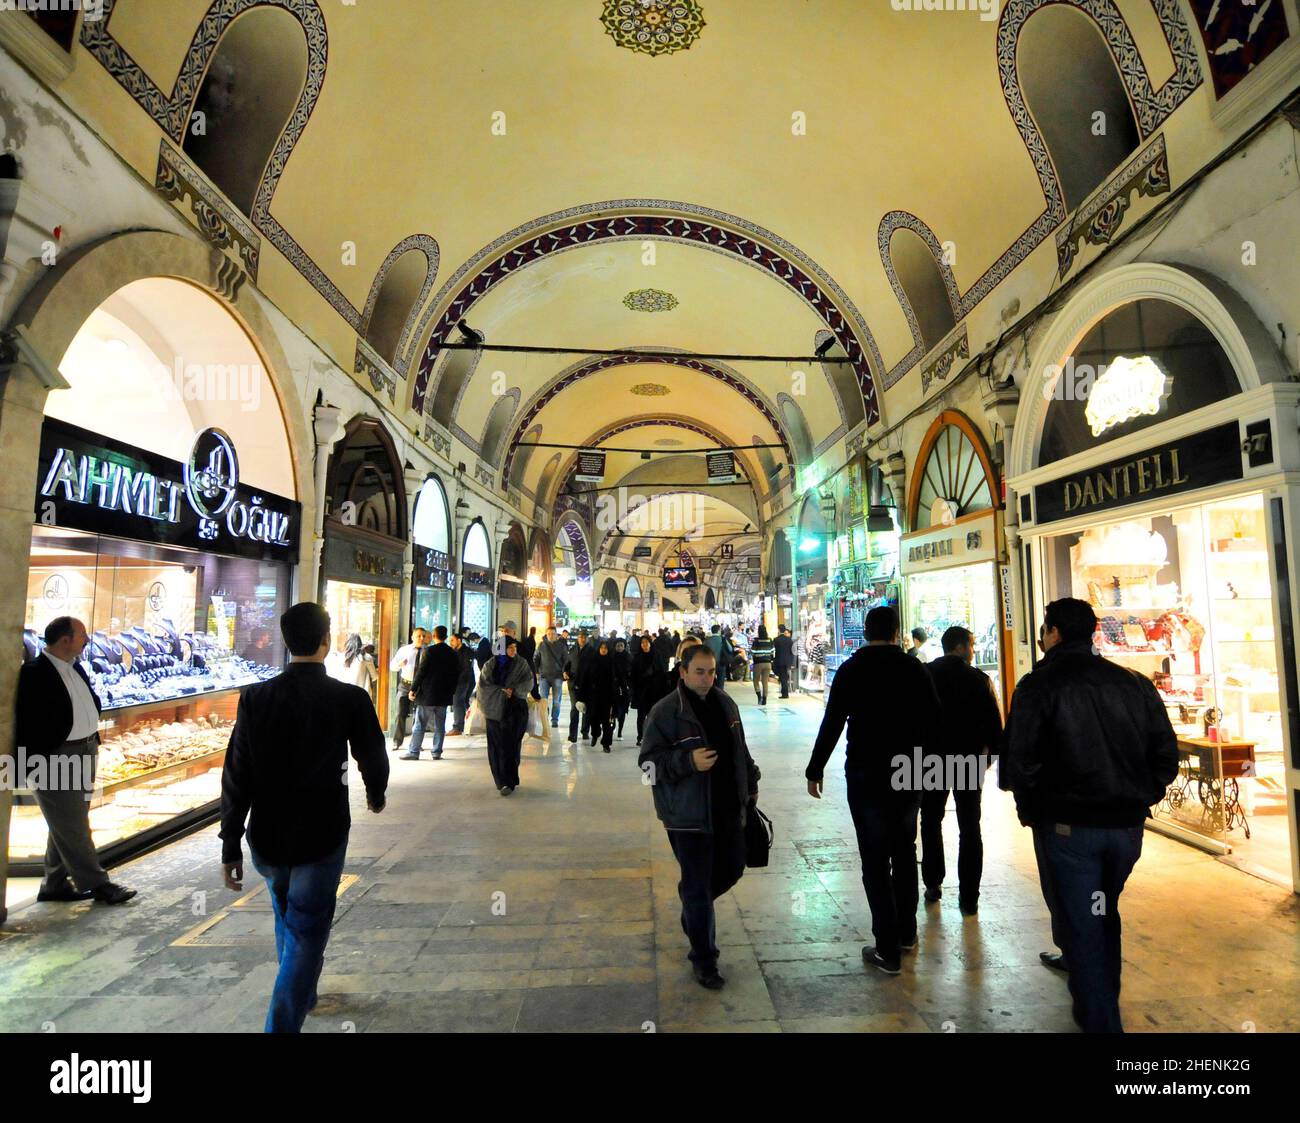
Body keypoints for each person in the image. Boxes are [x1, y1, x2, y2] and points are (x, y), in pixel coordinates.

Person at [1000, 598, 1179, 1034]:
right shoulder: (1133, 683)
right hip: (1126, 829)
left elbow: (1016, 766)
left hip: (1068, 828)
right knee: (1101, 910)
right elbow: (1166, 756)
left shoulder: (1038, 685)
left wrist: (1034, 810)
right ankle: (1096, 990)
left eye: (1045, 629)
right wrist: (1139, 797)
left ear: (1055, 633)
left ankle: (1102, 1021)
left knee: (1084, 921)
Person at [220, 602, 388, 1033]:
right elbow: (372, 753)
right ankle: (282, 1023)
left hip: (269, 836)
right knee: (308, 928)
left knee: (286, 914)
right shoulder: (348, 698)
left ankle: (304, 989)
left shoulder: (256, 698)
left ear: (286, 641)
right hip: (321, 832)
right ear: (327, 642)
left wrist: (230, 842)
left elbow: (237, 774)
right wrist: (375, 794)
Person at [805, 605, 940, 975]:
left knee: (875, 859)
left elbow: (832, 722)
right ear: (897, 633)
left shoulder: (852, 670)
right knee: (904, 850)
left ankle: (887, 948)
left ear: (865, 632)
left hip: (866, 773)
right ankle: (907, 934)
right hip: (909, 771)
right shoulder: (915, 668)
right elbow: (934, 721)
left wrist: (815, 769)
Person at [639, 644, 760, 990]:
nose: (707, 679)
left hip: (727, 809)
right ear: (683, 672)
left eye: (711, 672)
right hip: (688, 816)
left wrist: (750, 781)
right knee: (698, 886)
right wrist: (688, 763)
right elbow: (647, 768)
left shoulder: (726, 704)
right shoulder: (665, 713)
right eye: (700, 672)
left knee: (733, 867)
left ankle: (693, 905)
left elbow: (740, 749)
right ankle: (705, 960)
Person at [14, 616, 137, 905]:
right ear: (65, 640)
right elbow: (29, 722)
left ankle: (54, 884)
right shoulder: (34, 673)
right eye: (82, 635)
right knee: (74, 825)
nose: (87, 639)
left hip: (84, 750)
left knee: (71, 820)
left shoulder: (75, 667)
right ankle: (99, 884)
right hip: (56, 757)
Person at [921, 625, 1003, 914]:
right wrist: (987, 759)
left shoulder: (925, 674)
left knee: (930, 820)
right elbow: (995, 727)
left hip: (930, 760)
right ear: (958, 647)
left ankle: (932, 882)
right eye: (971, 644)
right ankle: (969, 897)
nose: (973, 650)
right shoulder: (978, 679)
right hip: (966, 761)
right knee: (969, 826)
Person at [476, 636, 533, 794]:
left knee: (512, 745)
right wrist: (501, 693)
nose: (513, 650)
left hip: (516, 711)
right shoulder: (491, 665)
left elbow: (529, 681)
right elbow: (483, 686)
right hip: (494, 712)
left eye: (514, 647)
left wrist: (514, 691)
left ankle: (510, 780)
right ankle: (501, 781)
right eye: (509, 648)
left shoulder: (521, 664)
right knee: (496, 746)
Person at [403, 626, 460, 760]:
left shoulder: (429, 651)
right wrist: (451, 691)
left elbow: (421, 672)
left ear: (434, 636)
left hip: (428, 695)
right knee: (440, 725)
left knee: (420, 724)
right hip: (444, 696)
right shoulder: (452, 653)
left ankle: (414, 751)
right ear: (445, 637)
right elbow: (456, 674)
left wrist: (413, 689)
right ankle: (436, 752)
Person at [387, 627, 429, 751]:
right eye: (419, 636)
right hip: (405, 685)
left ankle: (416, 743)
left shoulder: (427, 651)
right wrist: (399, 665)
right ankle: (397, 741)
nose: (421, 638)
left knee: (419, 716)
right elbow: (392, 666)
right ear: (412, 637)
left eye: (423, 636)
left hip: (421, 687)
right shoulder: (404, 650)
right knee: (400, 713)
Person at [584, 640, 620, 752]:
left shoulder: (612, 662)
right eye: (602, 648)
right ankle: (595, 734)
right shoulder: (593, 661)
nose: (603, 650)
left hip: (608, 695)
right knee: (593, 718)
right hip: (594, 695)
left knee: (607, 721)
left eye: (605, 648)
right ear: (599, 649)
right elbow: (586, 678)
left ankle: (606, 744)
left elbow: (618, 678)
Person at [630, 633, 663, 745]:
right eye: (642, 643)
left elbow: (661, 672)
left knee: (652, 716)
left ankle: (650, 737)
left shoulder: (656, 655)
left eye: (646, 642)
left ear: (650, 643)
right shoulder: (637, 657)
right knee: (641, 716)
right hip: (641, 691)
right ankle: (640, 736)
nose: (644, 644)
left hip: (654, 691)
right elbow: (633, 675)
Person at [327, 633, 378, 701]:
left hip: (345, 695)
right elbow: (374, 676)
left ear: (348, 643)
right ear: (360, 643)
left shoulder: (342, 657)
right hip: (362, 695)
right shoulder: (366, 658)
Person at [535, 625, 568, 728]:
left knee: (556, 700)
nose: (551, 636)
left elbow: (566, 661)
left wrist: (565, 671)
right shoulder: (541, 645)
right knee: (543, 700)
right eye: (549, 634)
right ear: (546, 634)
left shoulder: (561, 646)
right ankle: (544, 717)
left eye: (553, 634)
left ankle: (554, 719)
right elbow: (536, 659)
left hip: (557, 676)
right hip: (544, 676)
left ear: (556, 635)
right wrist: (536, 671)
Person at [447, 631, 475, 735]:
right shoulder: (454, 651)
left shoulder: (466, 652)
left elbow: (466, 669)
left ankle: (458, 727)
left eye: (452, 640)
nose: (451, 643)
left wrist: (457, 679)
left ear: (459, 641)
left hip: (464, 681)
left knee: (457, 702)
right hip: (459, 681)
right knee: (462, 703)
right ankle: (465, 725)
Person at [565, 629, 591, 743]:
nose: (582, 639)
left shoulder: (592, 651)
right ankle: (573, 735)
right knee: (574, 707)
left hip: (586, 684)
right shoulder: (572, 650)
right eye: (581, 637)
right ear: (578, 638)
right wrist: (564, 671)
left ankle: (585, 731)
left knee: (586, 708)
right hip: (573, 682)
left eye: (584, 637)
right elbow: (567, 664)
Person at [749, 625, 775, 705]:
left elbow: (753, 652)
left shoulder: (756, 641)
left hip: (758, 663)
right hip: (768, 663)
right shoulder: (770, 640)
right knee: (765, 682)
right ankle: (764, 700)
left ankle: (759, 697)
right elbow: (773, 651)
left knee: (756, 681)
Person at [611, 638, 632, 739]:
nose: (619, 647)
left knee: (623, 710)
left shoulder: (628, 657)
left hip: (625, 688)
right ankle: (613, 724)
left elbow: (631, 672)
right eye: (618, 645)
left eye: (621, 646)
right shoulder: (611, 657)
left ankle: (620, 731)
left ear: (624, 647)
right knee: (614, 708)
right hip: (614, 687)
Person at [773, 624, 794, 698]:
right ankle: (784, 692)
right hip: (787, 661)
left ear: (779, 630)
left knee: (783, 677)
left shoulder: (776, 639)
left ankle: (785, 693)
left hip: (779, 661)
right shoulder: (789, 640)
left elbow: (774, 650)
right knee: (784, 676)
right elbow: (792, 651)